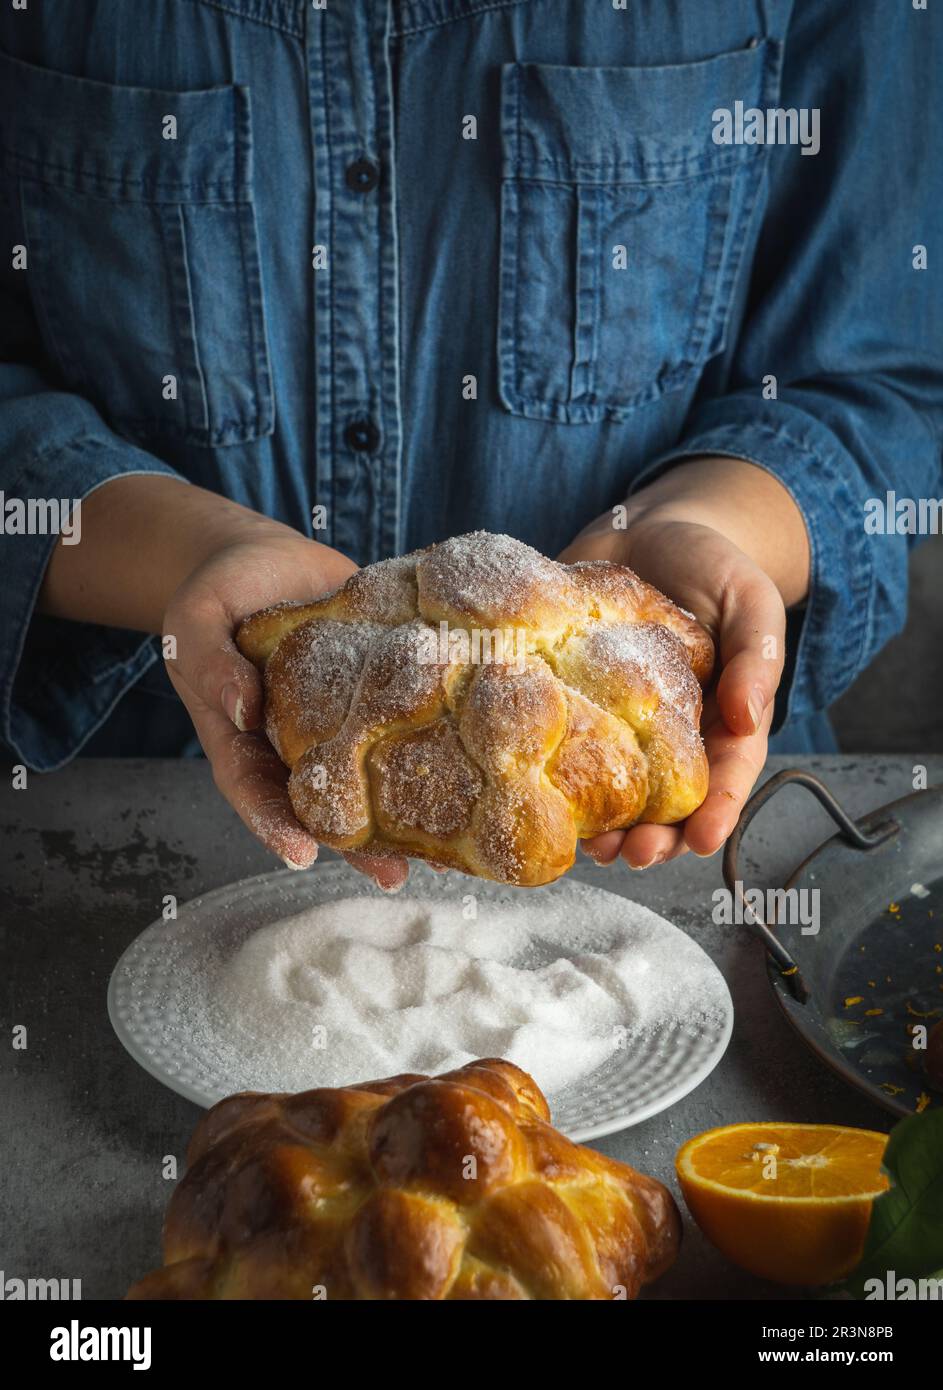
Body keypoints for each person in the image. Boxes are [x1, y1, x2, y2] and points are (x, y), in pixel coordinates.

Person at [1, 0, 940, 890]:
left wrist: (697, 521)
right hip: (122, 839)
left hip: (715, 873)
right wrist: (190, 557)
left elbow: (880, 371)